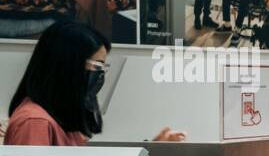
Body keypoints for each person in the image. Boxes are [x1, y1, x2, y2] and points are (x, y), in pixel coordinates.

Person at [5, 20, 186, 146]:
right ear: (68, 66)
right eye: (97, 66)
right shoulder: (35, 122)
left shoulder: (62, 119)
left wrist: (152, 151)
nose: (100, 75)